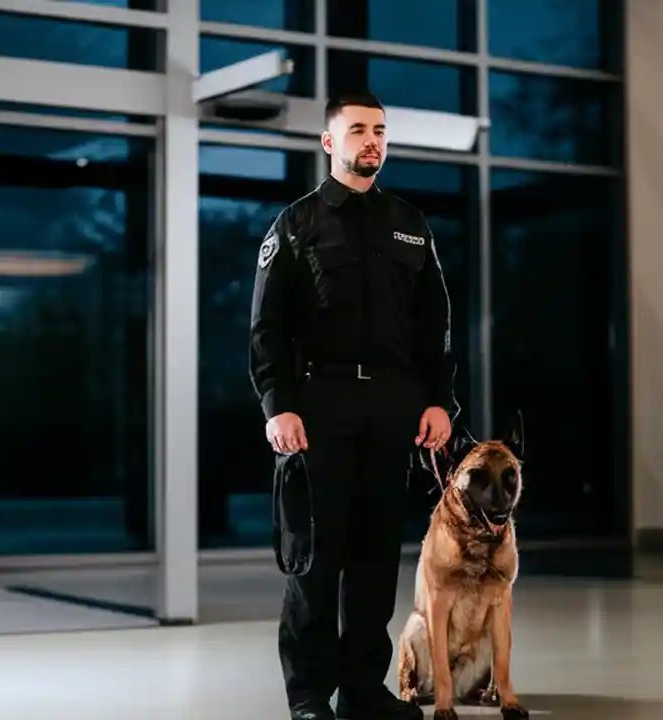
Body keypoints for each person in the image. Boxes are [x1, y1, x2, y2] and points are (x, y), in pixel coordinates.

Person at [249, 91, 459, 720]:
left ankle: (364, 690)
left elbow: (435, 326)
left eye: (381, 131)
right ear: (329, 142)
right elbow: (266, 327)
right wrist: (277, 404)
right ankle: (311, 696)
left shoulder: (410, 224)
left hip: (393, 407)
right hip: (320, 407)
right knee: (316, 558)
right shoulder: (297, 224)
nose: (373, 141)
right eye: (359, 130)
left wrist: (439, 400)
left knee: (372, 559)